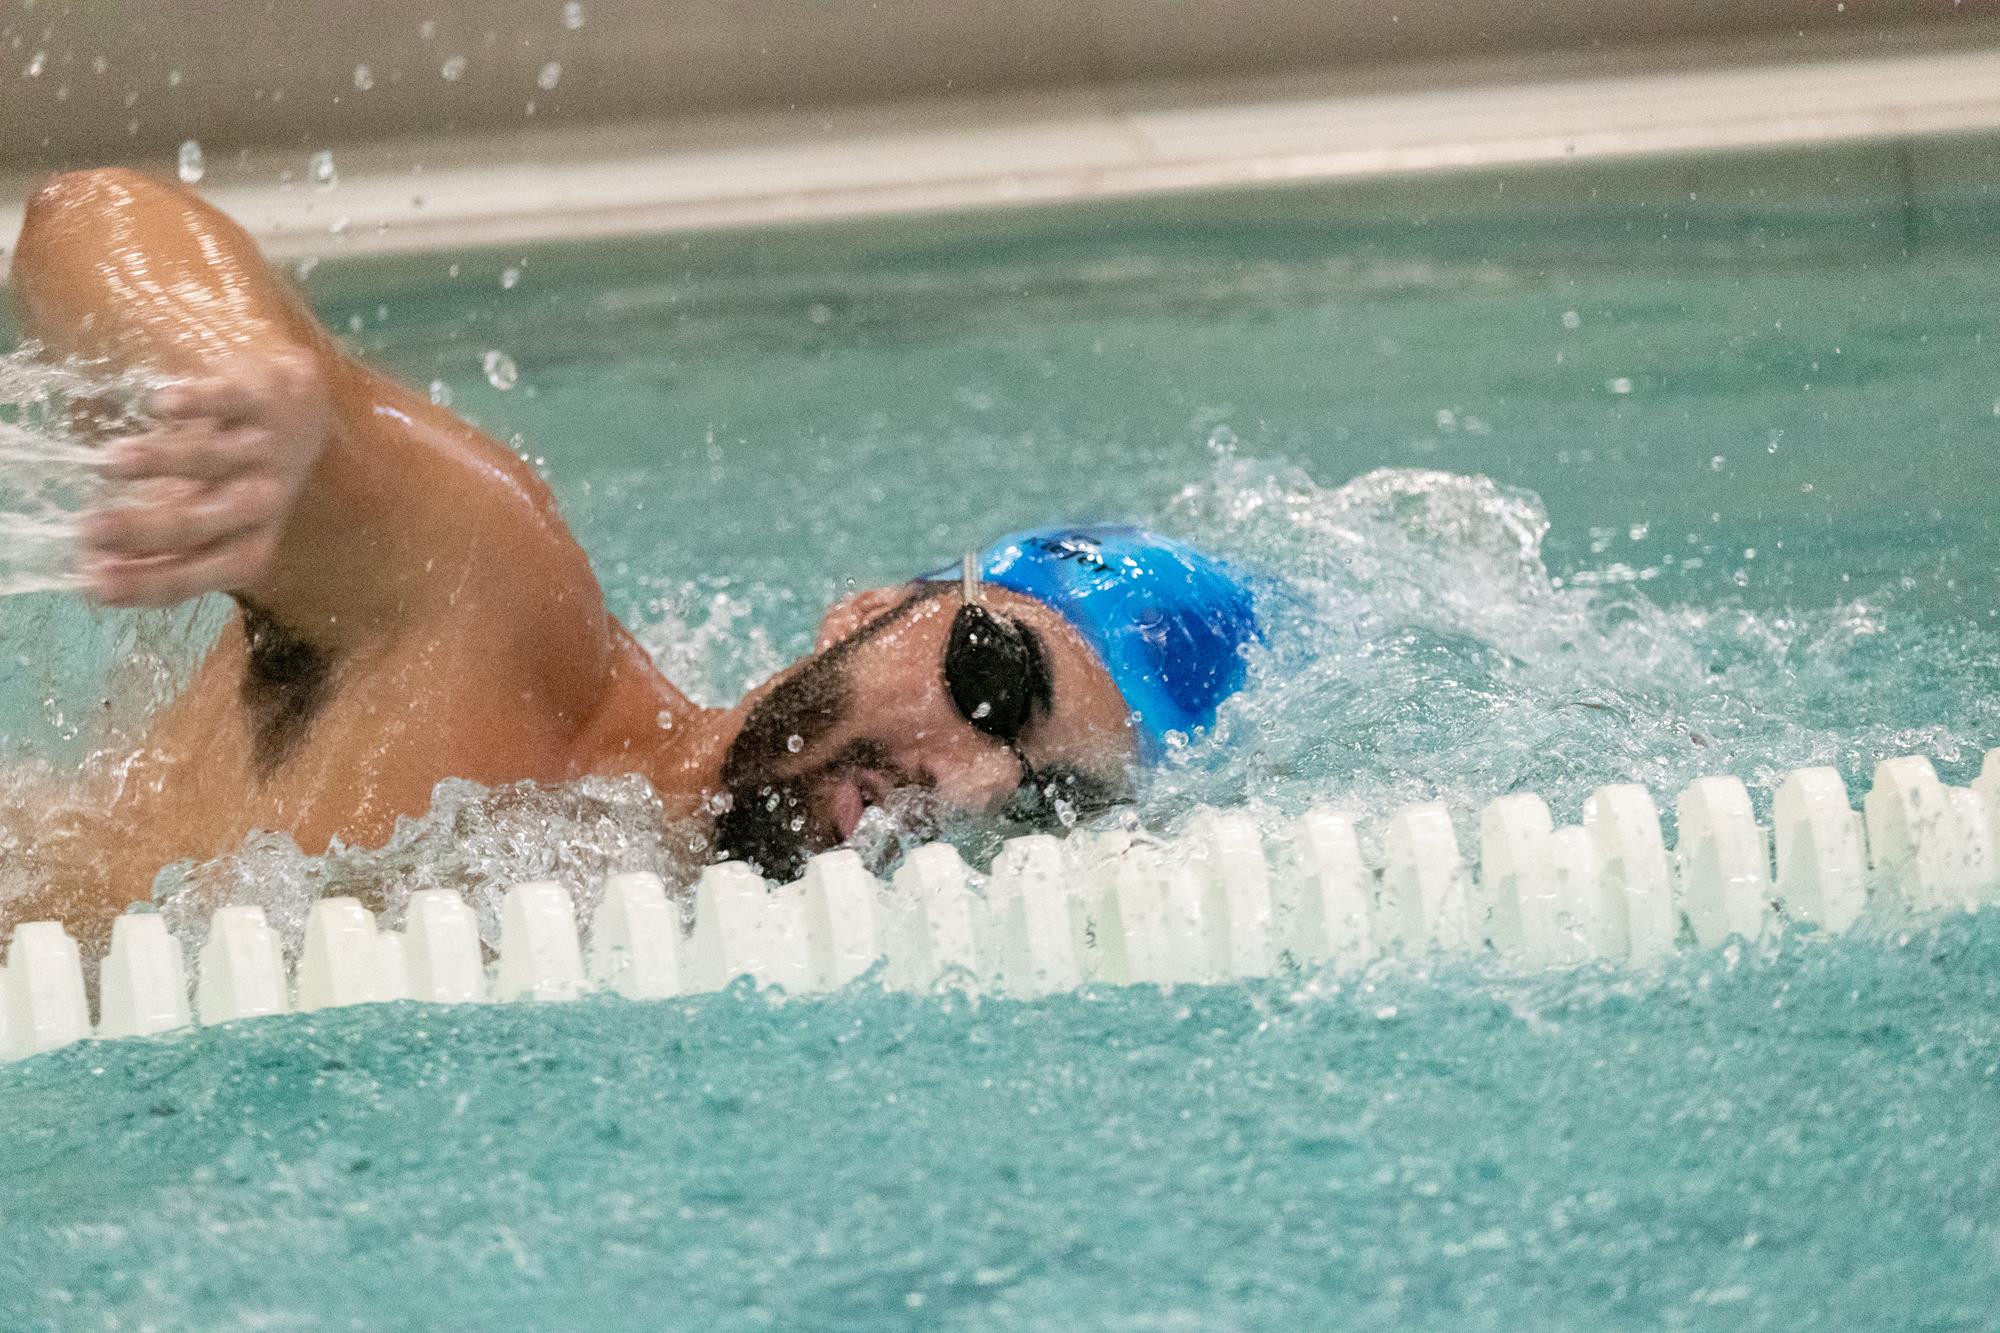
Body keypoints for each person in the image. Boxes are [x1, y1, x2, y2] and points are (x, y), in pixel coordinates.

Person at [4, 169, 1259, 946]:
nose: (978, 786)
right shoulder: (493, 616)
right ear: (870, 611)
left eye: (1047, 802)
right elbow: (92, 219)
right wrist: (226, 367)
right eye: (994, 684)